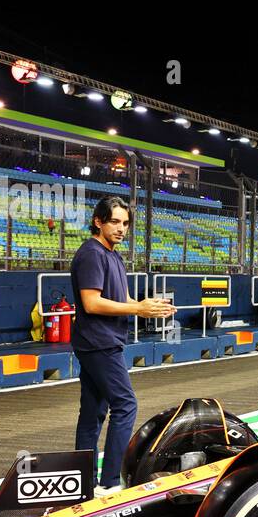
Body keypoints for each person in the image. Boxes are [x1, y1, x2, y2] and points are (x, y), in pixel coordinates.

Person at [70, 196, 175, 494]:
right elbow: (91, 303)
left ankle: (82, 482)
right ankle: (110, 482)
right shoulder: (92, 254)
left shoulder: (113, 255)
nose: (121, 228)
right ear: (98, 221)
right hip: (98, 341)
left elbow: (122, 299)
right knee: (125, 405)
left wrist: (147, 306)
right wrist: (137, 310)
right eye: (114, 222)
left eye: (125, 223)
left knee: (92, 413)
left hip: (102, 341)